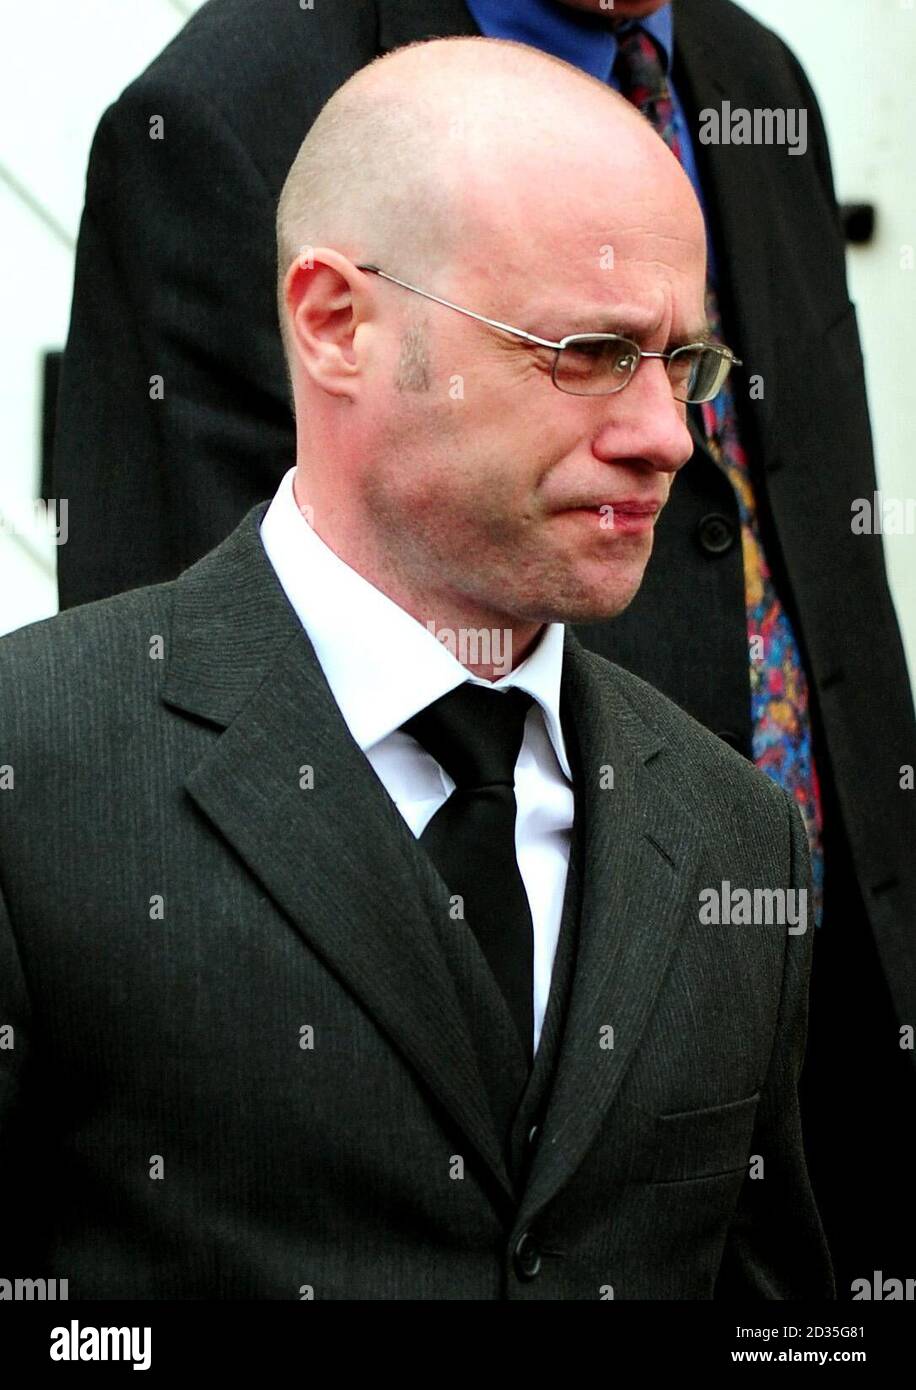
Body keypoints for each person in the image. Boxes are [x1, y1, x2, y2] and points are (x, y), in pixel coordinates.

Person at [51, 0, 916, 1294]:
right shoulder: (230, 110)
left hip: (819, 999)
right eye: (586, 352)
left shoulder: (753, 79)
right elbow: (188, 748)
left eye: (680, 365)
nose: (664, 437)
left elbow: (810, 540)